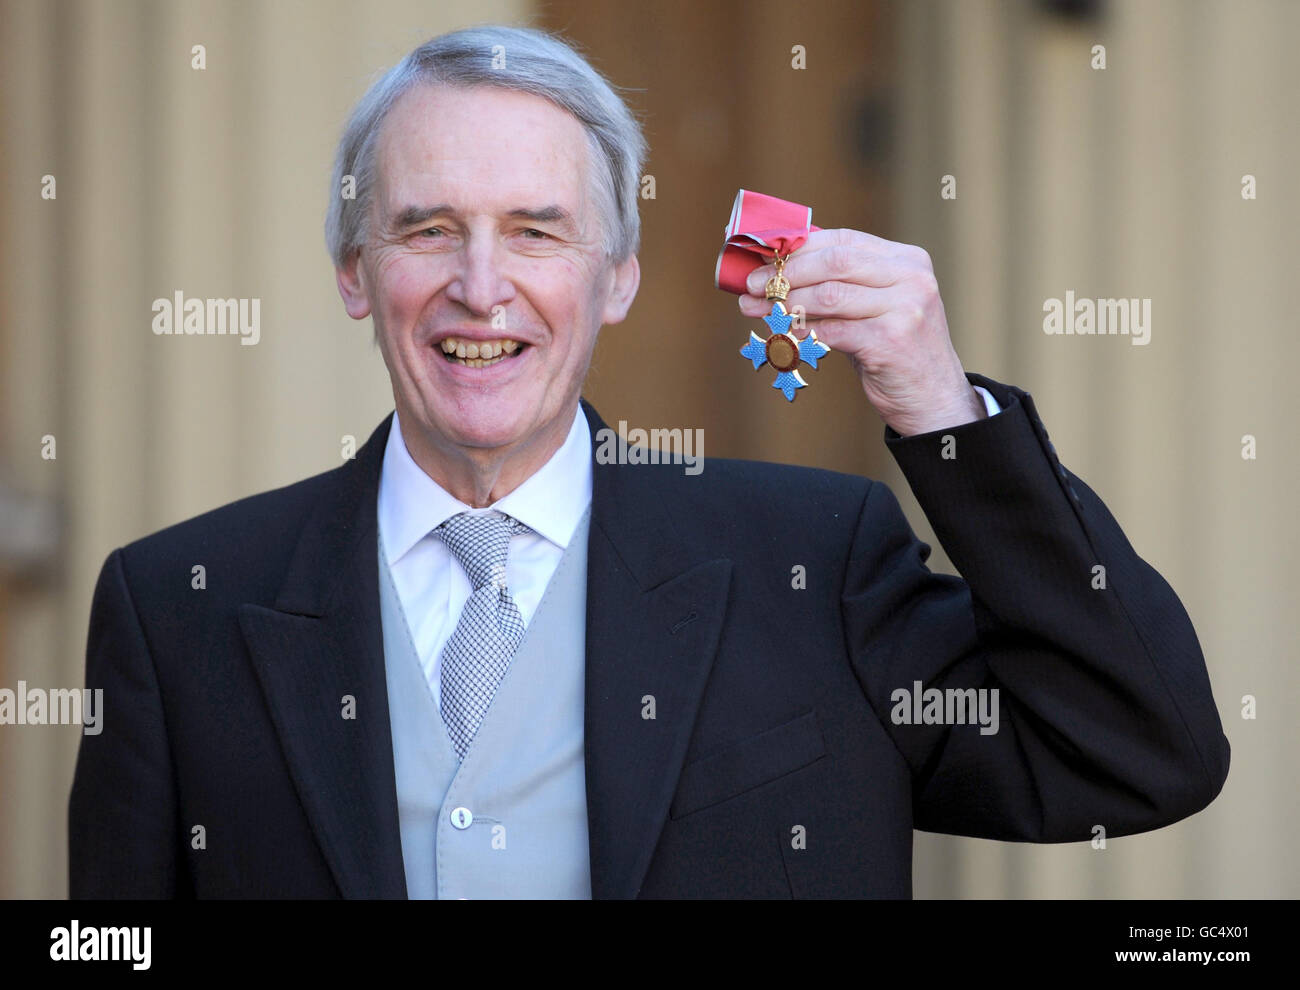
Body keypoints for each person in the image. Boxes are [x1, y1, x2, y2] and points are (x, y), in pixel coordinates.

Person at [68, 25, 1229, 899]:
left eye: (536, 230)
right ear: (352, 270)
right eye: (428, 229)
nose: (482, 285)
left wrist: (940, 409)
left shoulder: (813, 568)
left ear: (615, 278)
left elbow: (1139, 752)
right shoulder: (178, 609)